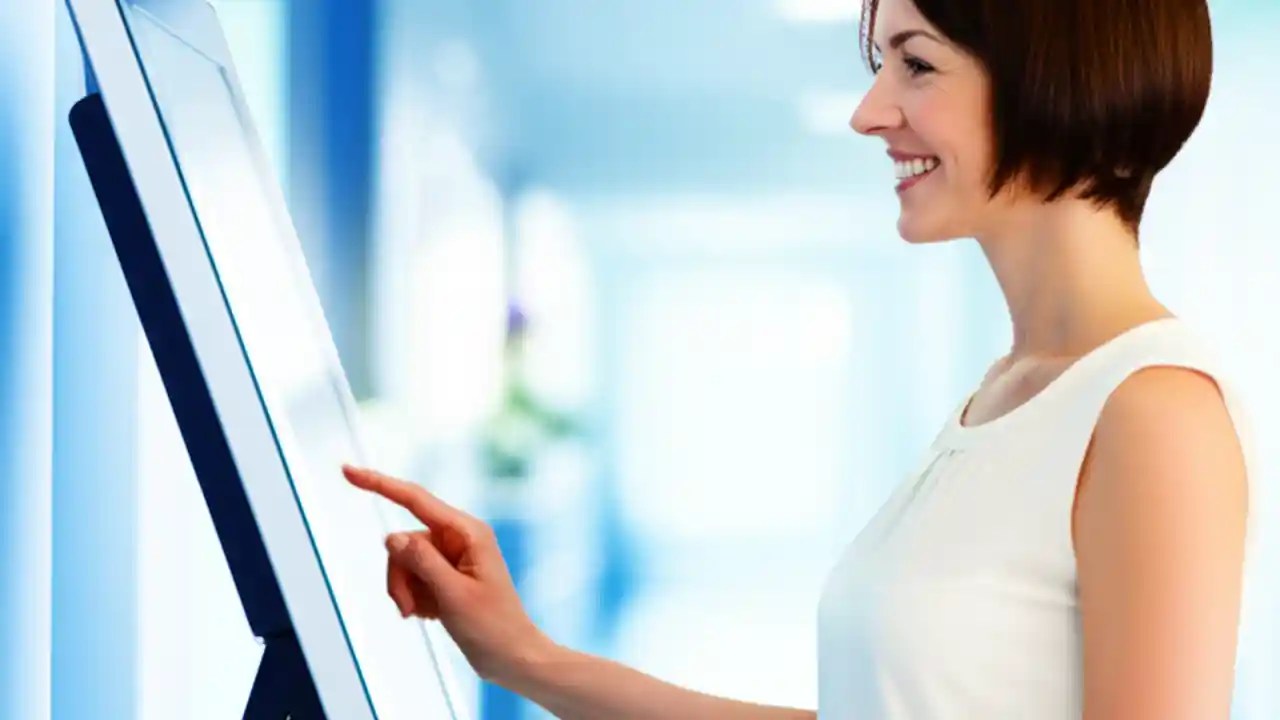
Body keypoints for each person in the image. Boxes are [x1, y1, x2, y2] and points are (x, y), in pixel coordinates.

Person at [344, 0, 1258, 716]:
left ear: (1055, 79)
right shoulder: (1006, 396)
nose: (870, 112)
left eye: (917, 63)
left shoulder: (1151, 415)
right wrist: (524, 657)